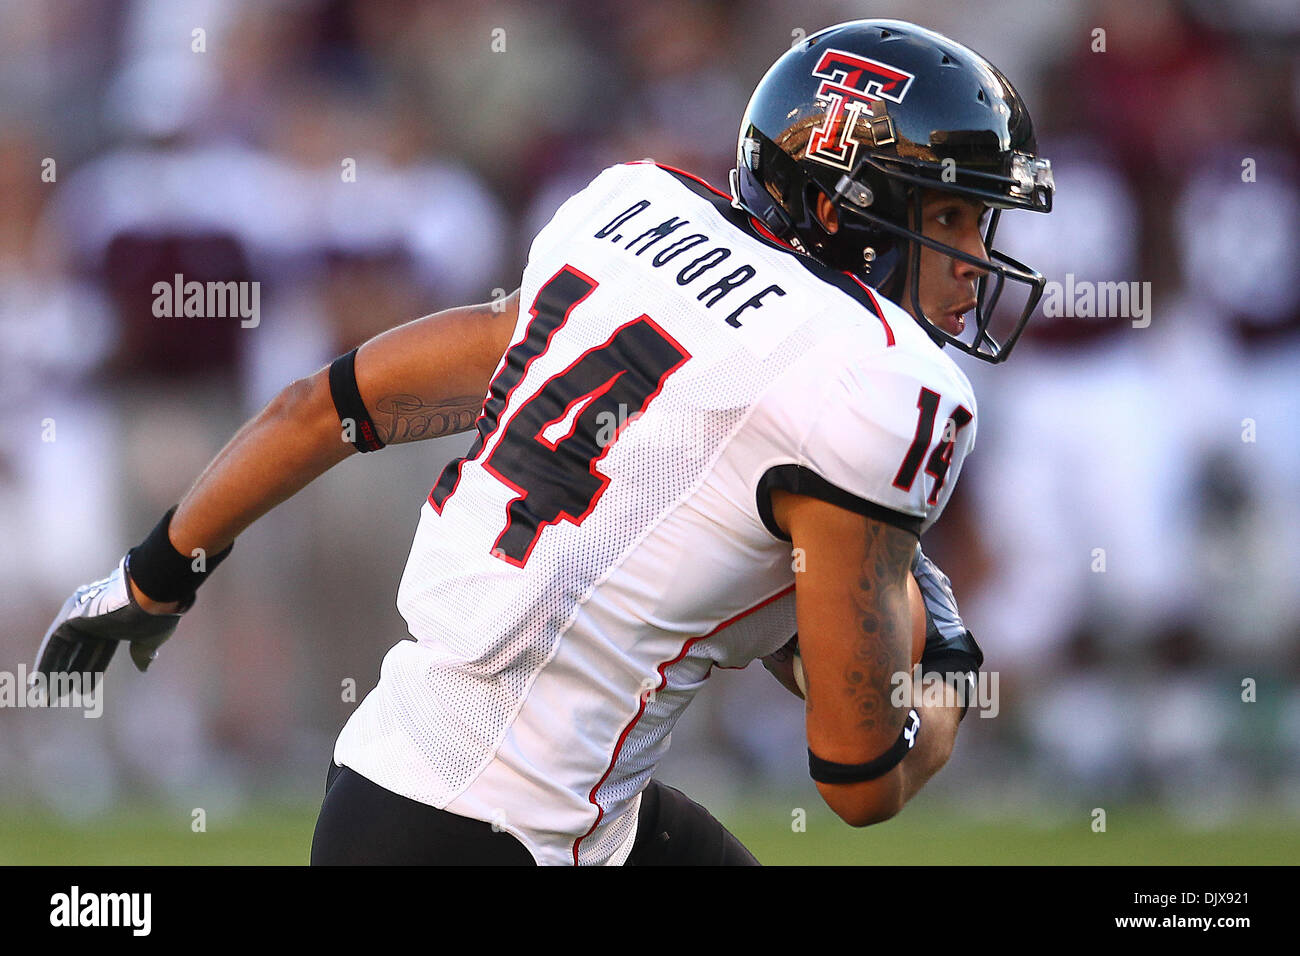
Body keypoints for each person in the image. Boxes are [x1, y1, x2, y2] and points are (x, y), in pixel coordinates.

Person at [34, 19, 1052, 865]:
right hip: (521, 834)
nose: (975, 261)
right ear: (845, 206)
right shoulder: (874, 380)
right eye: (955, 219)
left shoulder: (634, 212)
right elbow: (860, 775)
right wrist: (949, 675)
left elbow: (321, 406)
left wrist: (151, 574)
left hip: (379, 782)